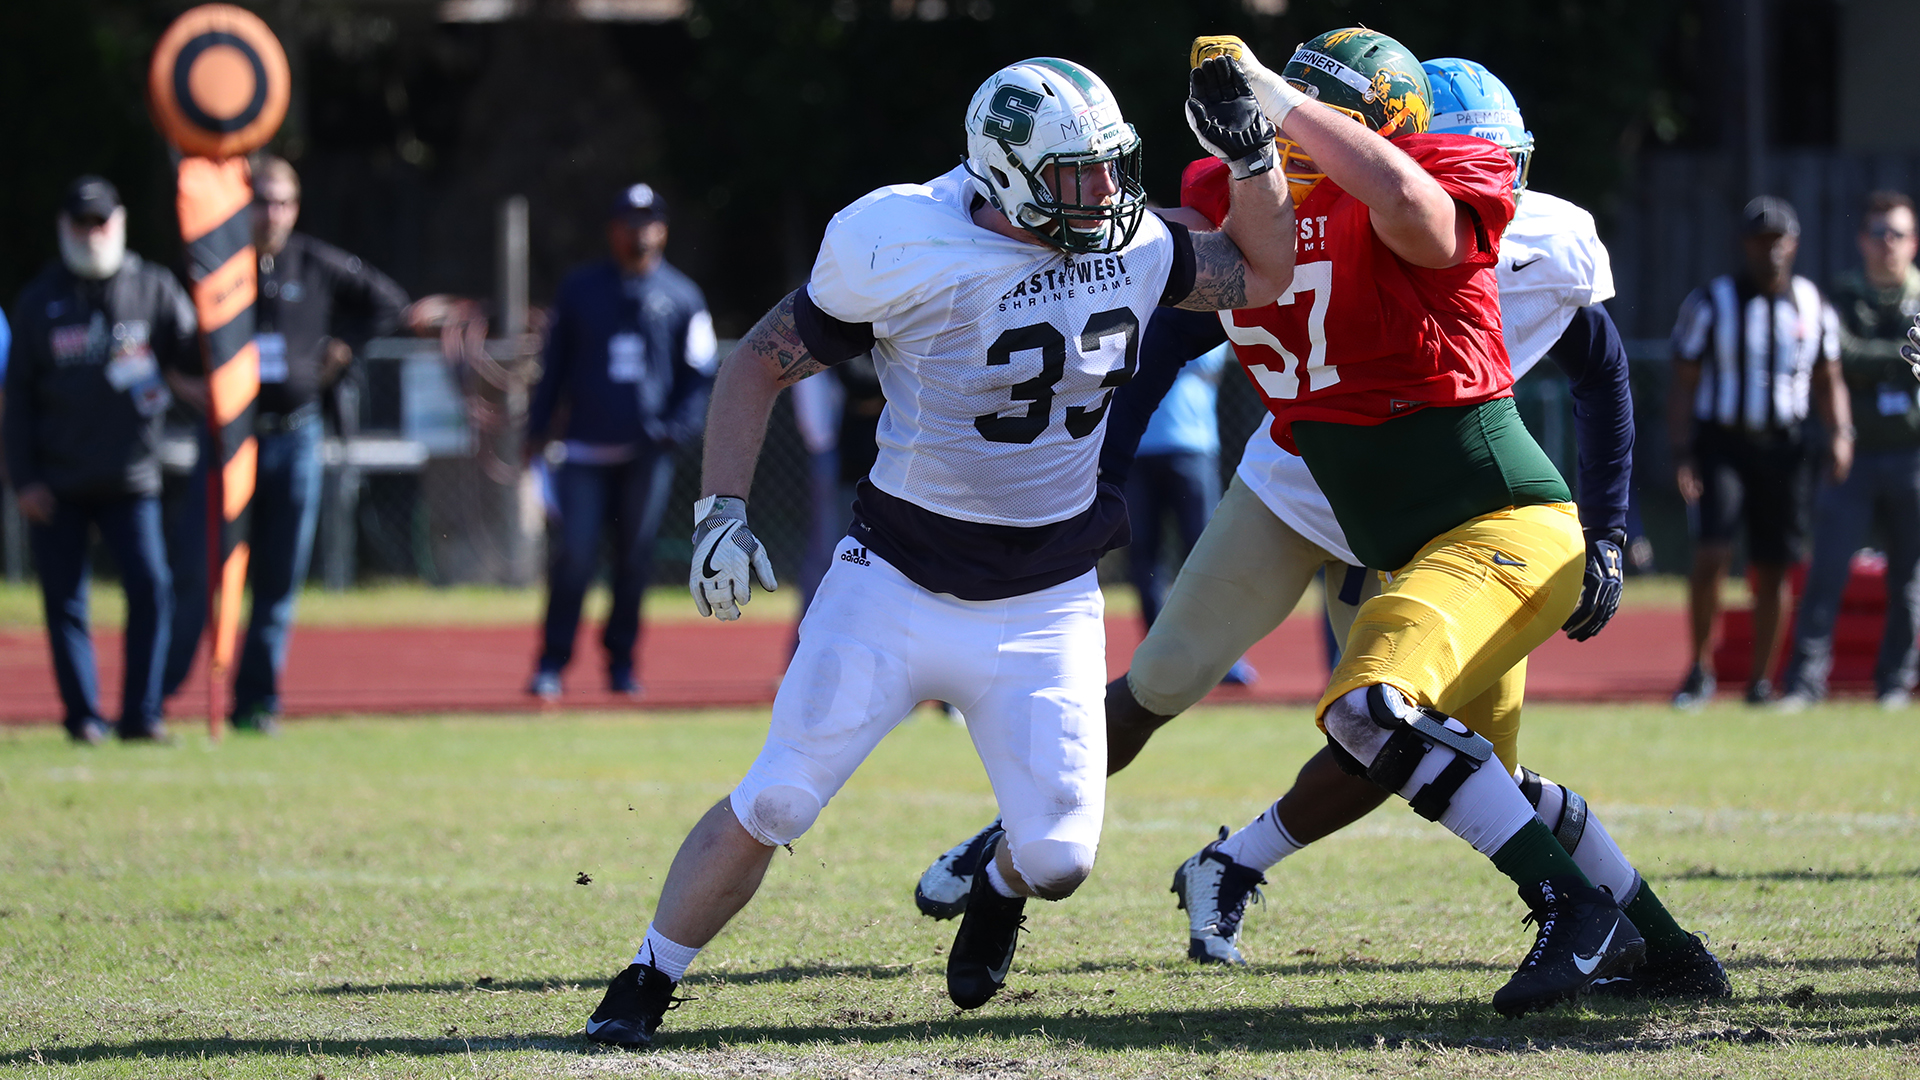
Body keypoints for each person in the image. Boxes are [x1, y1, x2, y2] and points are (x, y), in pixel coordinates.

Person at [919, 48, 1720, 1009]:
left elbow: (1430, 220)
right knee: (1444, 756)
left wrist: (1611, 530)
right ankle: (1667, 951)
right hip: (1333, 499)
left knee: (1378, 716)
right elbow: (1158, 289)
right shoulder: (1262, 219)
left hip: (1484, 524)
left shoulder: (1449, 217)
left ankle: (1572, 912)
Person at [580, 56, 1296, 1049]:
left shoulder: (1137, 242)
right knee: (779, 794)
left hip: (1047, 598)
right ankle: (648, 975)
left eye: (1110, 167)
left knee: (1059, 860)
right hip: (894, 583)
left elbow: (1266, 272)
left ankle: (996, 885)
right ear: (1003, 171)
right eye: (1077, 174)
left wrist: (1254, 159)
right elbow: (758, 362)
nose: (1104, 193)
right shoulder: (899, 238)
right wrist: (720, 512)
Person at [162, 156, 412, 733]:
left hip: (296, 436)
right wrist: (179, 380)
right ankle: (156, 696)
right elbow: (157, 319)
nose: (271, 213)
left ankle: (256, 702)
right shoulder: (214, 261)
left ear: (295, 208)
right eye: (261, 201)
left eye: (282, 202)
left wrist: (344, 346)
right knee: (200, 573)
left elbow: (390, 301)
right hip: (229, 441)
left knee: (277, 581)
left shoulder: (316, 263)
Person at [4, 176, 199, 743]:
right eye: (81, 222)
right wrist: (24, 479)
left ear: (119, 223)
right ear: (63, 228)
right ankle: (83, 717)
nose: (91, 233)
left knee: (151, 589)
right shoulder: (39, 300)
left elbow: (192, 355)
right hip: (57, 482)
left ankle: (142, 715)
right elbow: (17, 403)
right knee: (65, 601)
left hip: (132, 478)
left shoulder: (153, 287)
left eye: (101, 221)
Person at [525, 183, 717, 701]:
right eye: (629, 221)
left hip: (645, 455)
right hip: (584, 451)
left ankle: (621, 664)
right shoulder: (580, 289)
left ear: (664, 230)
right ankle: (551, 662)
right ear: (612, 229)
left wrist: (675, 429)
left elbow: (700, 373)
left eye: (648, 221)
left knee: (634, 559)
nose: (639, 232)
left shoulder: (683, 297)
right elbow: (554, 366)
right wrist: (536, 429)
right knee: (575, 556)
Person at [1670, 196, 1852, 707]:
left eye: (1778, 240)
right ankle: (1699, 670)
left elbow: (1829, 377)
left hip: (1786, 447)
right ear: (1744, 245)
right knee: (1712, 553)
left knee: (1774, 566)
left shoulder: (1812, 304)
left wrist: (1841, 432)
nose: (1769, 250)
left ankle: (1761, 681)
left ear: (1793, 245)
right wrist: (1682, 452)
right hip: (1723, 443)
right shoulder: (1711, 302)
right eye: (1760, 240)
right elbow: (1684, 380)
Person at [1123, 322, 1256, 685]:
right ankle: (1161, 657)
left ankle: (1220, 655)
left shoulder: (1196, 313)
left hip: (1192, 448)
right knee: (1144, 559)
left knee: (1207, 554)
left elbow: (1203, 358)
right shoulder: (1131, 314)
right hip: (1135, 452)